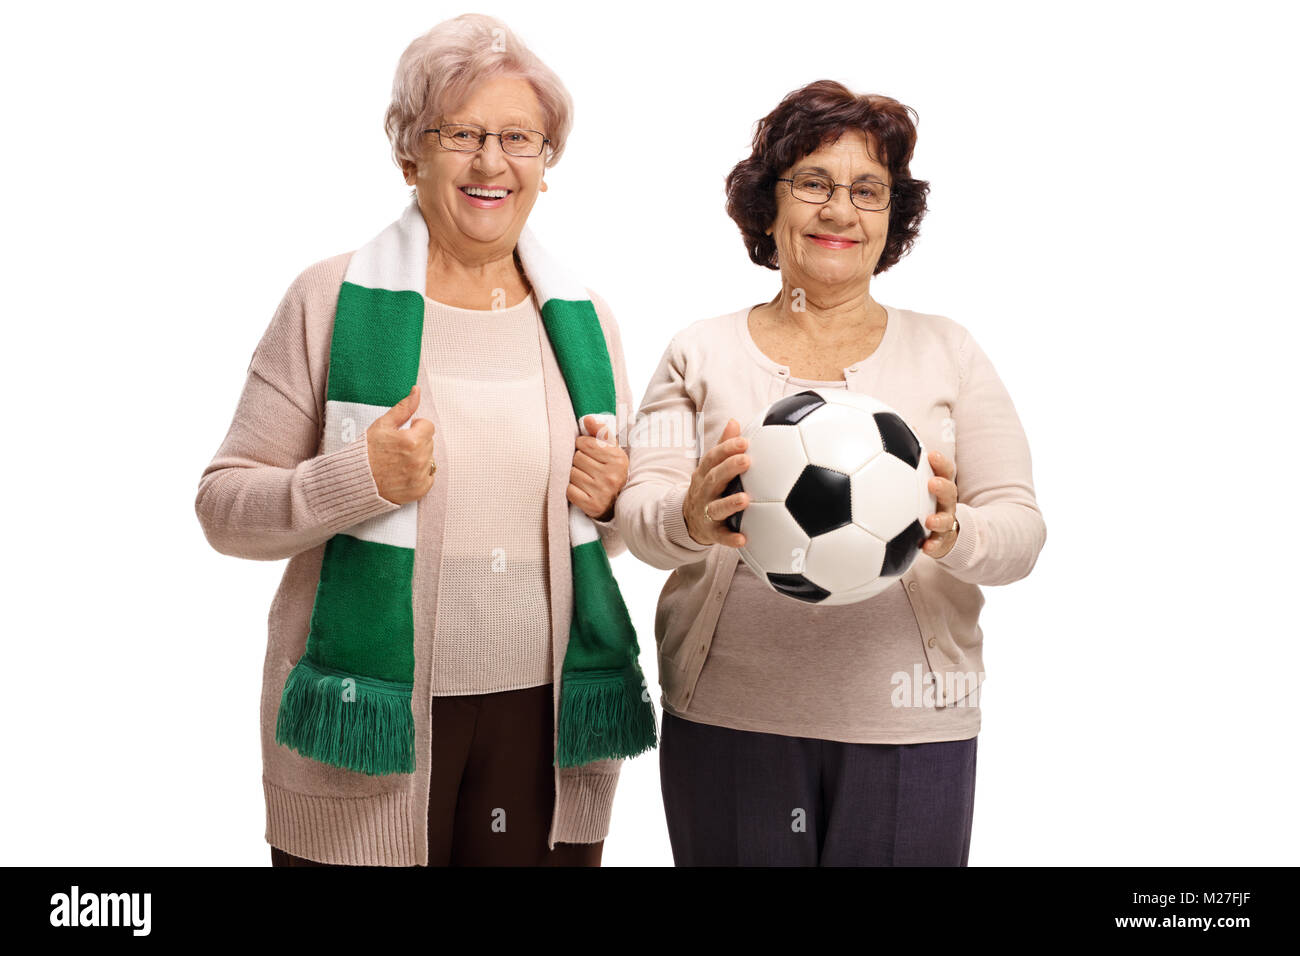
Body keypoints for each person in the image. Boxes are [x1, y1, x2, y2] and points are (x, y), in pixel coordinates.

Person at [194, 14, 644, 867]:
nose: (490, 162)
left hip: (543, 720)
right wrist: (354, 477)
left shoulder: (584, 321)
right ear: (411, 155)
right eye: (461, 134)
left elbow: (599, 534)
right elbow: (223, 507)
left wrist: (616, 500)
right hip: (373, 715)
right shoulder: (327, 300)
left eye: (519, 137)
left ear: (546, 165)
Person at [615, 79, 1047, 866]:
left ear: (893, 217)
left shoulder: (949, 351)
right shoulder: (699, 351)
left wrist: (956, 531)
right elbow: (641, 516)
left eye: (867, 190)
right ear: (768, 206)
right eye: (813, 183)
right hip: (730, 715)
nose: (839, 211)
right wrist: (691, 517)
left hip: (910, 726)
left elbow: (1021, 533)